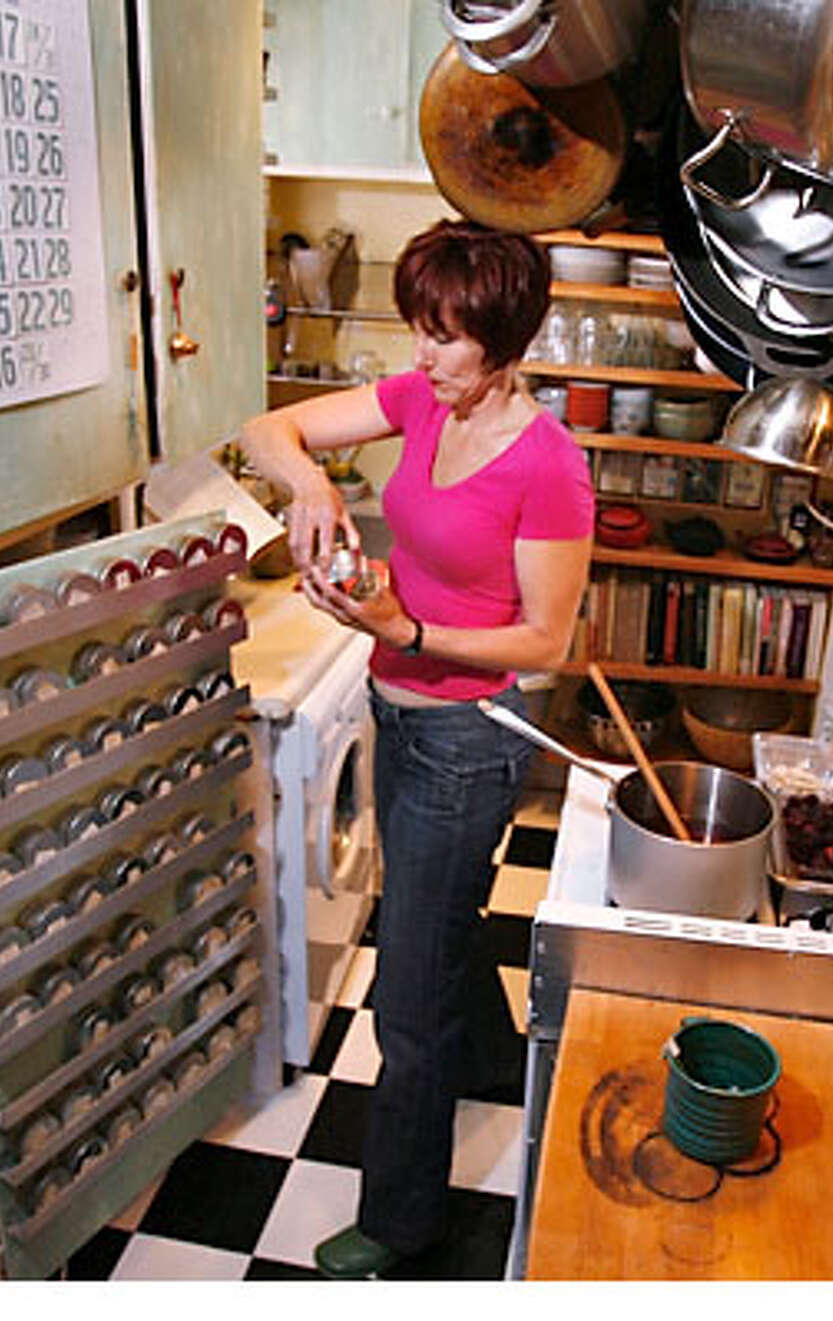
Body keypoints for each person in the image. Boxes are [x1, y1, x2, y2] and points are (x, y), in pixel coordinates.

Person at [237, 219, 594, 1278]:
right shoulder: (421, 402)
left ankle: (401, 1223)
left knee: (406, 996)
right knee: (439, 923)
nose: (421, 355)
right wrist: (310, 484)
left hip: (465, 740)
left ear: (503, 337)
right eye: (418, 329)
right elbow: (267, 428)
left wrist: (410, 629)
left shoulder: (550, 466)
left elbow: (546, 641)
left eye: (444, 336)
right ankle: (490, 1057)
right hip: (394, 712)